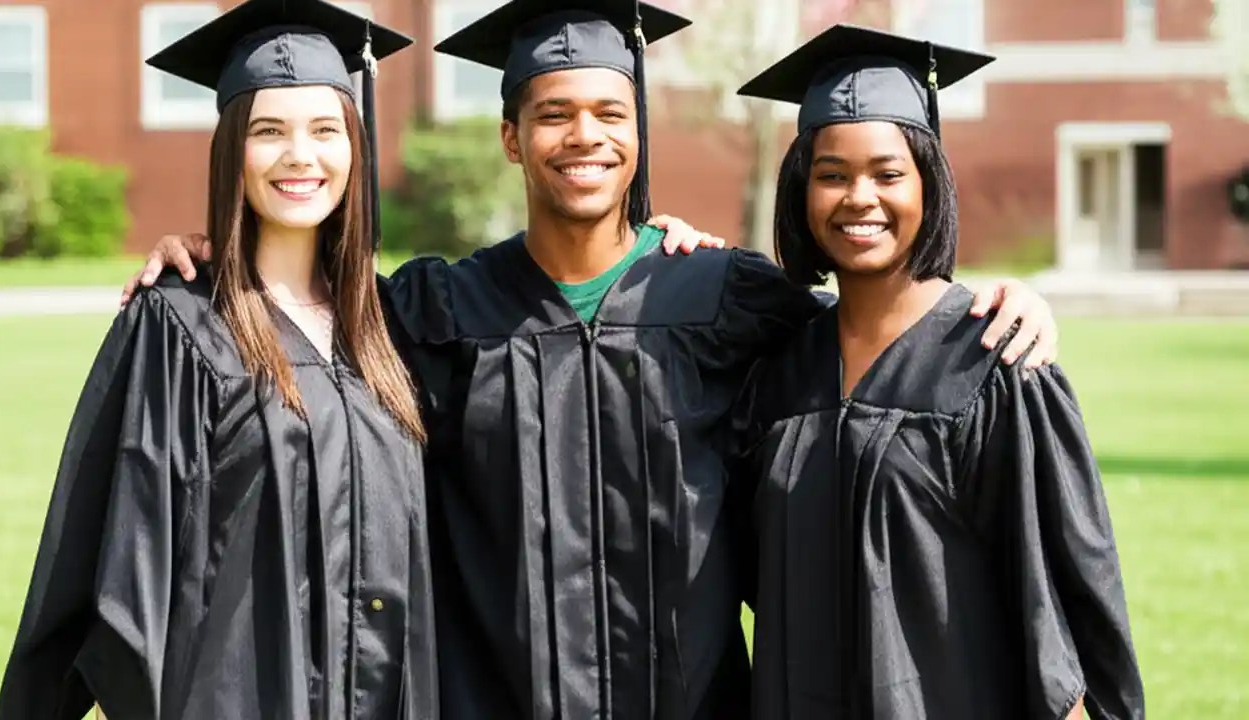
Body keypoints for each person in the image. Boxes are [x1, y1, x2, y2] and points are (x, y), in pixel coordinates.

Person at [124, 2, 1061, 717]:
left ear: (637, 133)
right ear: (510, 138)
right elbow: (311, 312)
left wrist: (992, 301)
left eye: (610, 111)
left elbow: (869, 325)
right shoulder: (433, 310)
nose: (585, 136)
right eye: (554, 113)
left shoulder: (721, 300)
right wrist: (208, 257)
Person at [0, 1, 437, 718]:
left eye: (325, 129)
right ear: (233, 151)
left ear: (356, 148)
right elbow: (119, 559)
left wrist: (667, 254)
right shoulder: (179, 328)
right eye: (269, 131)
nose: (301, 154)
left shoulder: (396, 326)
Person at [731, 24, 1144, 719]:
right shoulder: (777, 370)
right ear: (802, 192)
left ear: (929, 184)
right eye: (832, 174)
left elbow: (1056, 601)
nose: (860, 197)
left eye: (889, 174)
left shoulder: (996, 364)